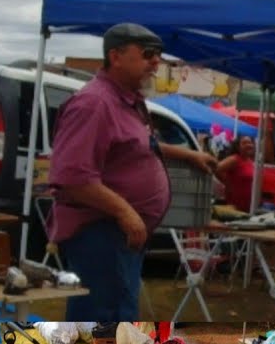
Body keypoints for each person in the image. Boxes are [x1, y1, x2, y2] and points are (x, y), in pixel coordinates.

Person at [48, 22, 217, 321]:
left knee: (119, 318)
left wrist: (188, 154)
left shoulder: (126, 99)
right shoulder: (94, 104)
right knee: (103, 323)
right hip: (100, 234)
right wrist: (125, 212)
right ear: (116, 56)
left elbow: (137, 146)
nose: (156, 62)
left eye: (159, 54)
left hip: (120, 236)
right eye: (148, 53)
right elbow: (71, 178)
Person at [215, 135, 257, 212]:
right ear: (238, 147)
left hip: (247, 206)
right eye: (244, 143)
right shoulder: (234, 159)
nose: (248, 145)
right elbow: (216, 169)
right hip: (235, 206)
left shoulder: (250, 161)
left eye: (250, 142)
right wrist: (226, 182)